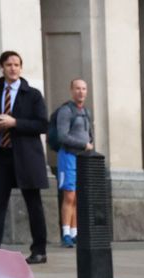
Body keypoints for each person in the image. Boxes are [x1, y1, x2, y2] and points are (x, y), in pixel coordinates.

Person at [0, 51, 50, 263]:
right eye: (9, 64)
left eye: (17, 64)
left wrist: (15, 123)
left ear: (21, 68)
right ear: (1, 67)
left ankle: (39, 250)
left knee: (33, 204)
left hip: (27, 156)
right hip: (2, 154)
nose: (13, 68)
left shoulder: (33, 95)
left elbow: (42, 124)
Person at [51, 79, 93, 248]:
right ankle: (66, 233)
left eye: (84, 89)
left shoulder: (86, 111)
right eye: (77, 88)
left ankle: (75, 233)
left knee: (77, 196)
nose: (81, 92)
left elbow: (89, 133)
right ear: (71, 90)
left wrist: (89, 144)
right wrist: (84, 144)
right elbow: (62, 136)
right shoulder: (66, 110)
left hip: (82, 158)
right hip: (68, 156)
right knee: (69, 195)